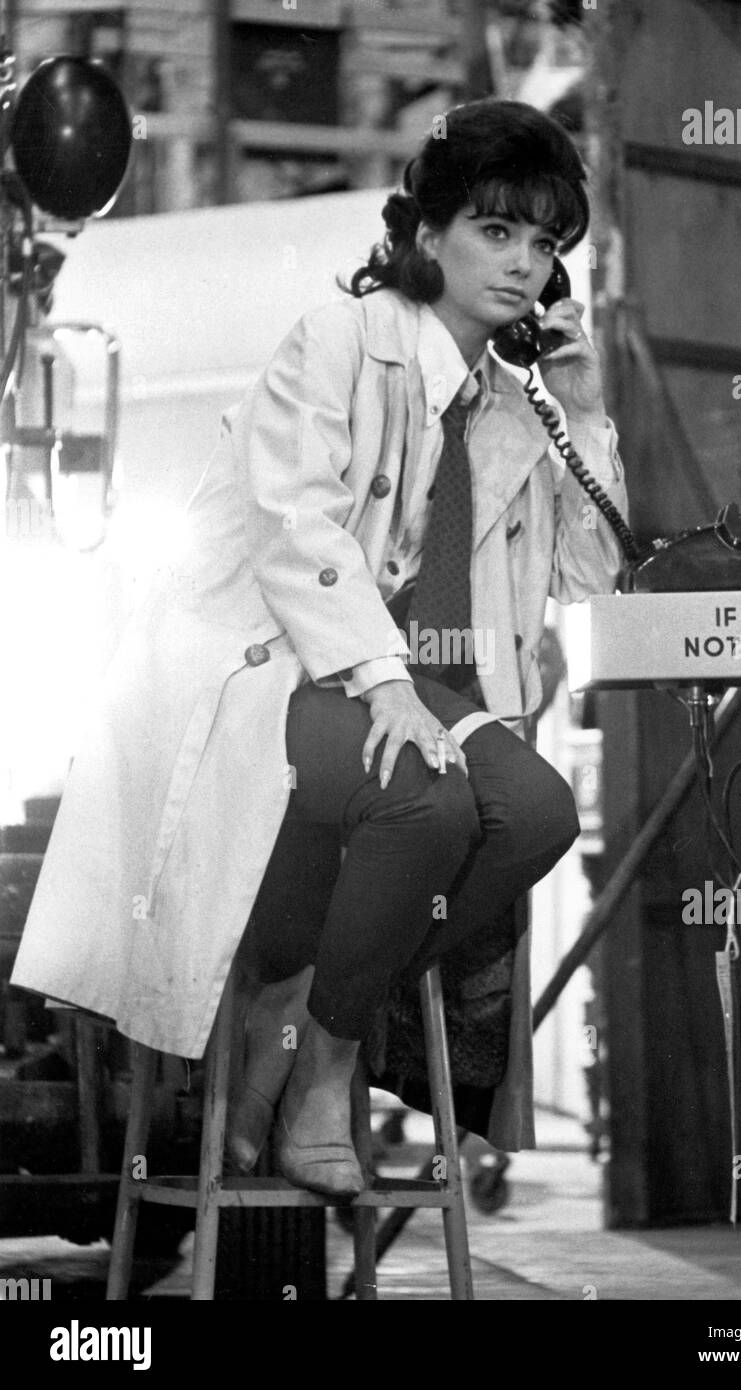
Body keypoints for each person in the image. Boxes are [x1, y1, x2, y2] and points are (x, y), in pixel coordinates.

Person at [12, 98, 627, 1197]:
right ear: (426, 233)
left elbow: (588, 575)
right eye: (495, 230)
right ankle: (319, 1079)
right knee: (428, 802)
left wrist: (581, 410)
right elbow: (298, 529)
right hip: (270, 667)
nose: (524, 264)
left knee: (535, 813)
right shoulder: (338, 341)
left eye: (544, 245)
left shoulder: (511, 405)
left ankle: (299, 1025)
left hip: (409, 686)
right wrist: (385, 682)